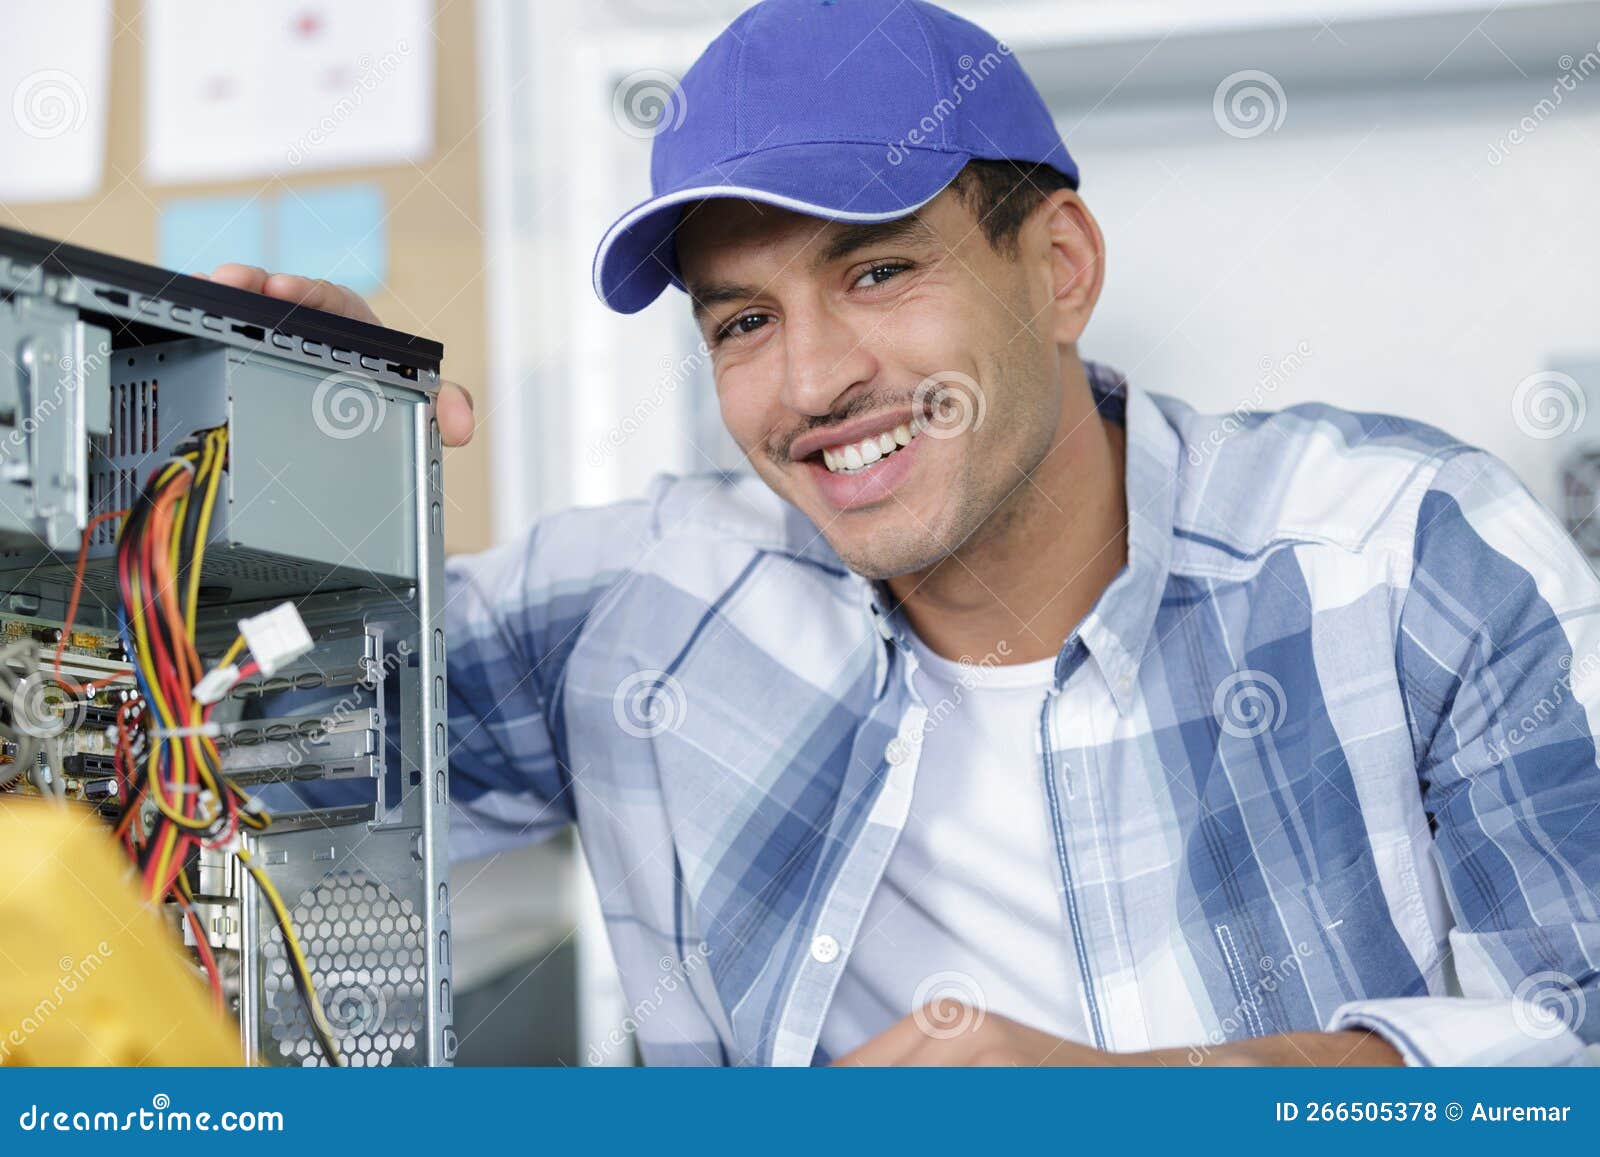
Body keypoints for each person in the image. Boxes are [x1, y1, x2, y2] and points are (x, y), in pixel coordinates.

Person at [208, 0, 1600, 1067]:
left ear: (1059, 270)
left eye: (877, 270)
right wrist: (290, 484)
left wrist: (1132, 1105)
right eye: (742, 319)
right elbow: (204, 739)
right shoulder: (630, 614)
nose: (811, 383)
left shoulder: (1415, 561)